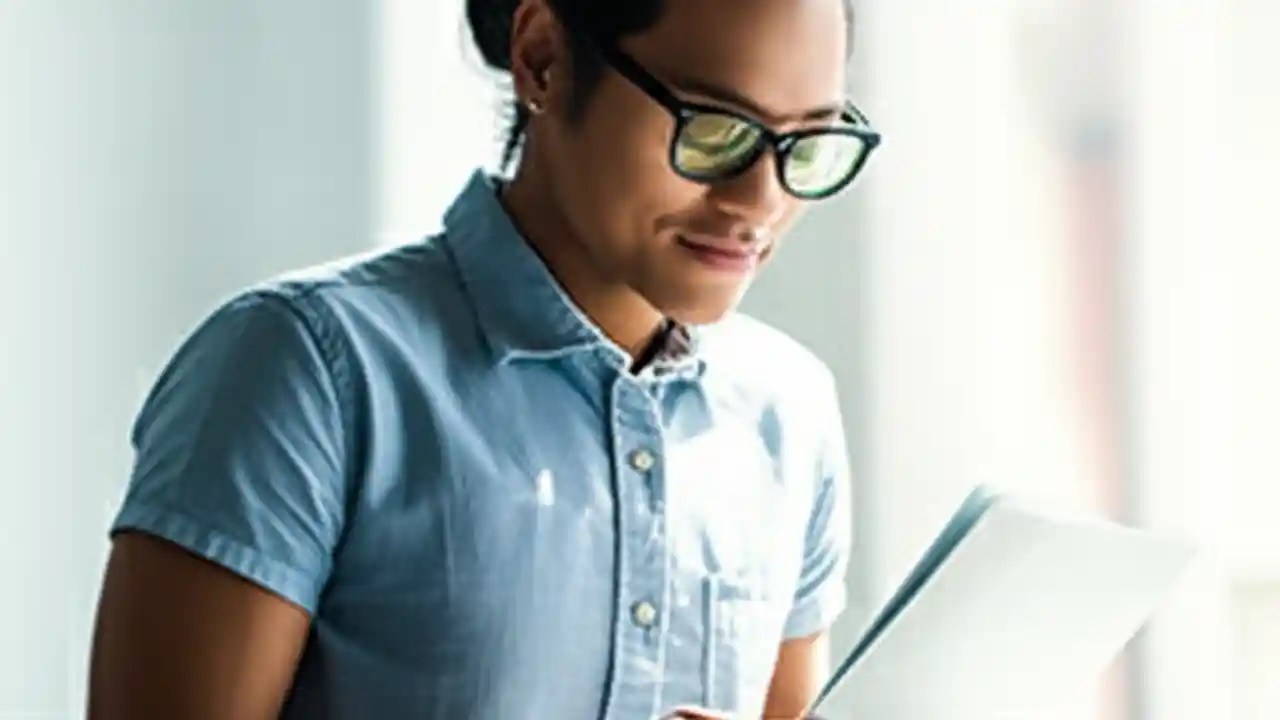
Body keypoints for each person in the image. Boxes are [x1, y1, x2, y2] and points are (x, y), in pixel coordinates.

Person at [87, 0, 879, 717]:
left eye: (808, 144)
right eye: (713, 130)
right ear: (542, 58)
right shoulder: (308, 371)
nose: (761, 202)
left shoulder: (788, 413)